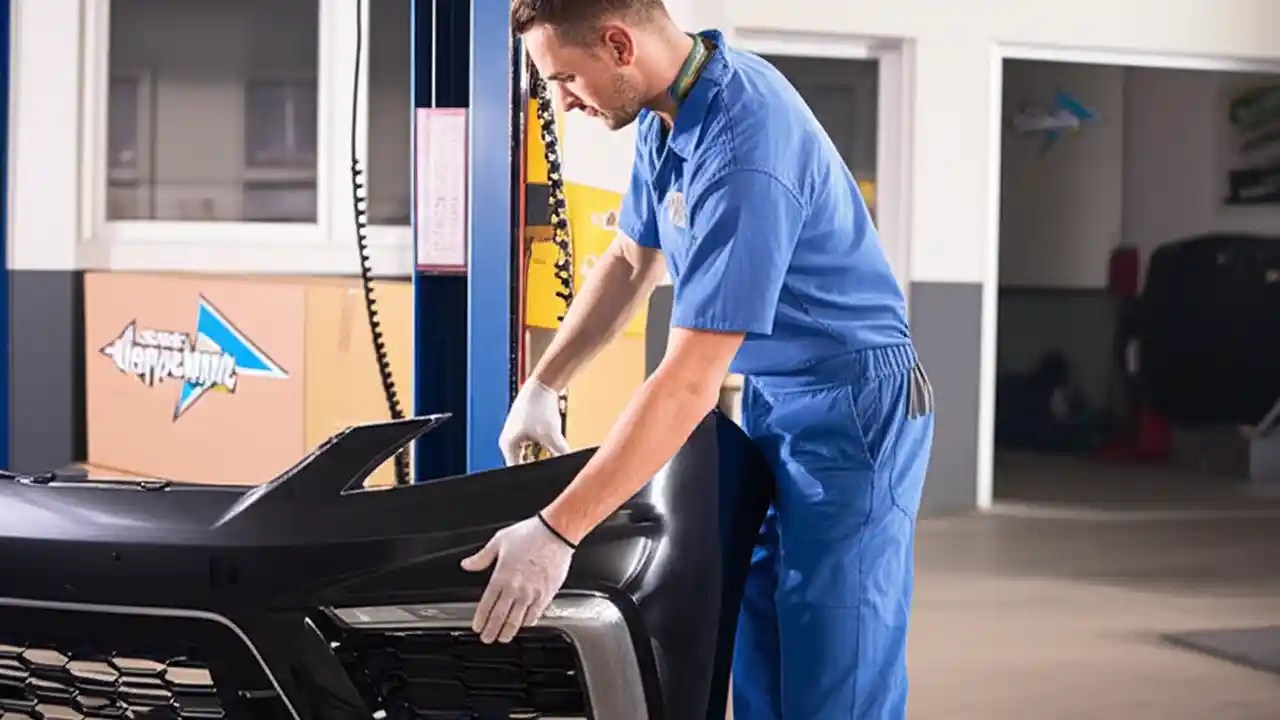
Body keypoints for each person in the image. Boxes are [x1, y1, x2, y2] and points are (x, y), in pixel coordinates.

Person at [461, 1, 936, 717]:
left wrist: (559, 530)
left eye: (564, 78)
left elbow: (687, 383)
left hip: (855, 411)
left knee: (835, 662)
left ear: (619, 44)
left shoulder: (743, 144)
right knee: (762, 651)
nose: (559, 101)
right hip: (780, 398)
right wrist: (545, 381)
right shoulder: (670, 113)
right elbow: (630, 261)